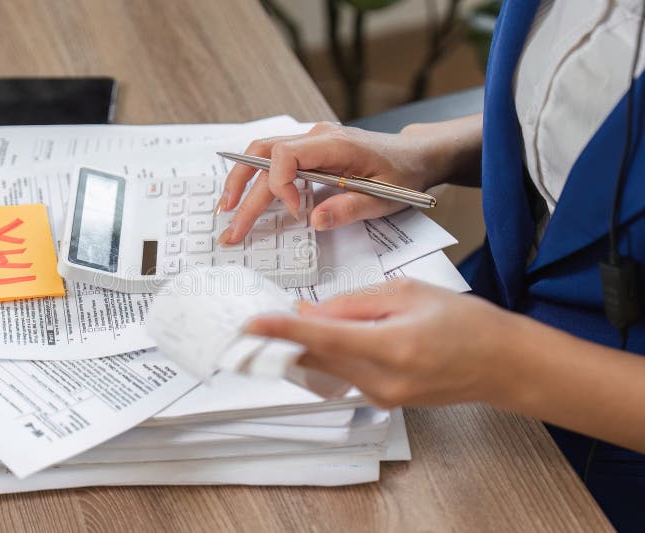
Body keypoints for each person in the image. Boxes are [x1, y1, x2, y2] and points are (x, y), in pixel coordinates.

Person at [216, 1, 645, 530]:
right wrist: (424, 153)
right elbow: (585, 114)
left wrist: (506, 362)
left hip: (601, 462)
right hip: (479, 330)